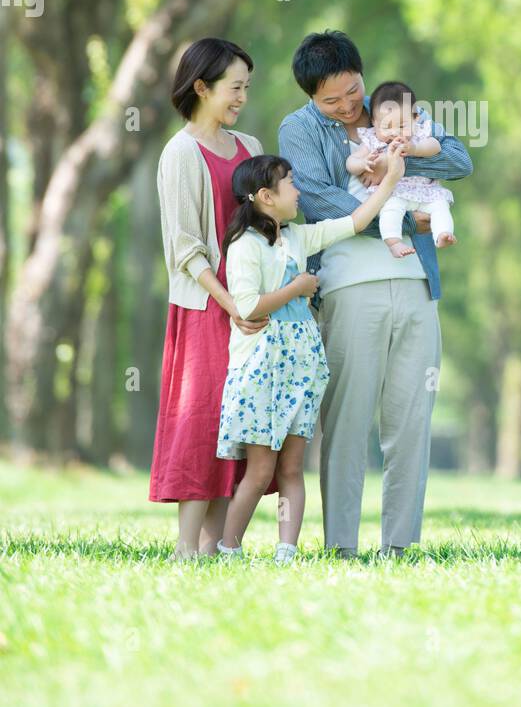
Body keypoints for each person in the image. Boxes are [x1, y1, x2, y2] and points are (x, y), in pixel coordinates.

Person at [277, 30, 473, 560]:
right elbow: (320, 201)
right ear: (310, 97)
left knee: (411, 422)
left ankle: (400, 547)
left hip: (417, 286)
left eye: (352, 92)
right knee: (346, 423)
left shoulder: (393, 107)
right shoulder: (297, 129)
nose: (346, 107)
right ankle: (341, 547)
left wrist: (401, 150)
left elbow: (458, 159)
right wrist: (410, 220)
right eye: (331, 100)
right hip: (347, 287)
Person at [214, 142, 409, 562]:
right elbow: (246, 305)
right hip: (262, 368)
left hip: (301, 367)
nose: (297, 190)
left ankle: (287, 550)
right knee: (261, 468)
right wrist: (297, 289)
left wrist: (390, 180)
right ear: (266, 197)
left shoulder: (300, 236)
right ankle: (228, 547)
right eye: (289, 183)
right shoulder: (244, 245)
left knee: (291, 468)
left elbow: (355, 222)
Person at [149, 37, 275, 560]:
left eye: (247, 86)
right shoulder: (180, 153)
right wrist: (233, 306)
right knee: (201, 417)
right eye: (234, 86)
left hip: (251, 307)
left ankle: (215, 545)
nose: (242, 96)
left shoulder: (247, 146)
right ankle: (186, 547)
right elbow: (187, 251)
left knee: (238, 421)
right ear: (201, 87)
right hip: (208, 309)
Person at [345, 79, 457, 256]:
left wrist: (414, 148)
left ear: (415, 118)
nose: (395, 132)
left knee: (440, 207)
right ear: (373, 122)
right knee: (390, 211)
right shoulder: (372, 140)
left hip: (426, 190)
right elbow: (351, 162)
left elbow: (436, 146)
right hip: (394, 192)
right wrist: (364, 163)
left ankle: (443, 234)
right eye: (386, 126)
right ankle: (394, 242)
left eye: (402, 125)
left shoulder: (421, 133)